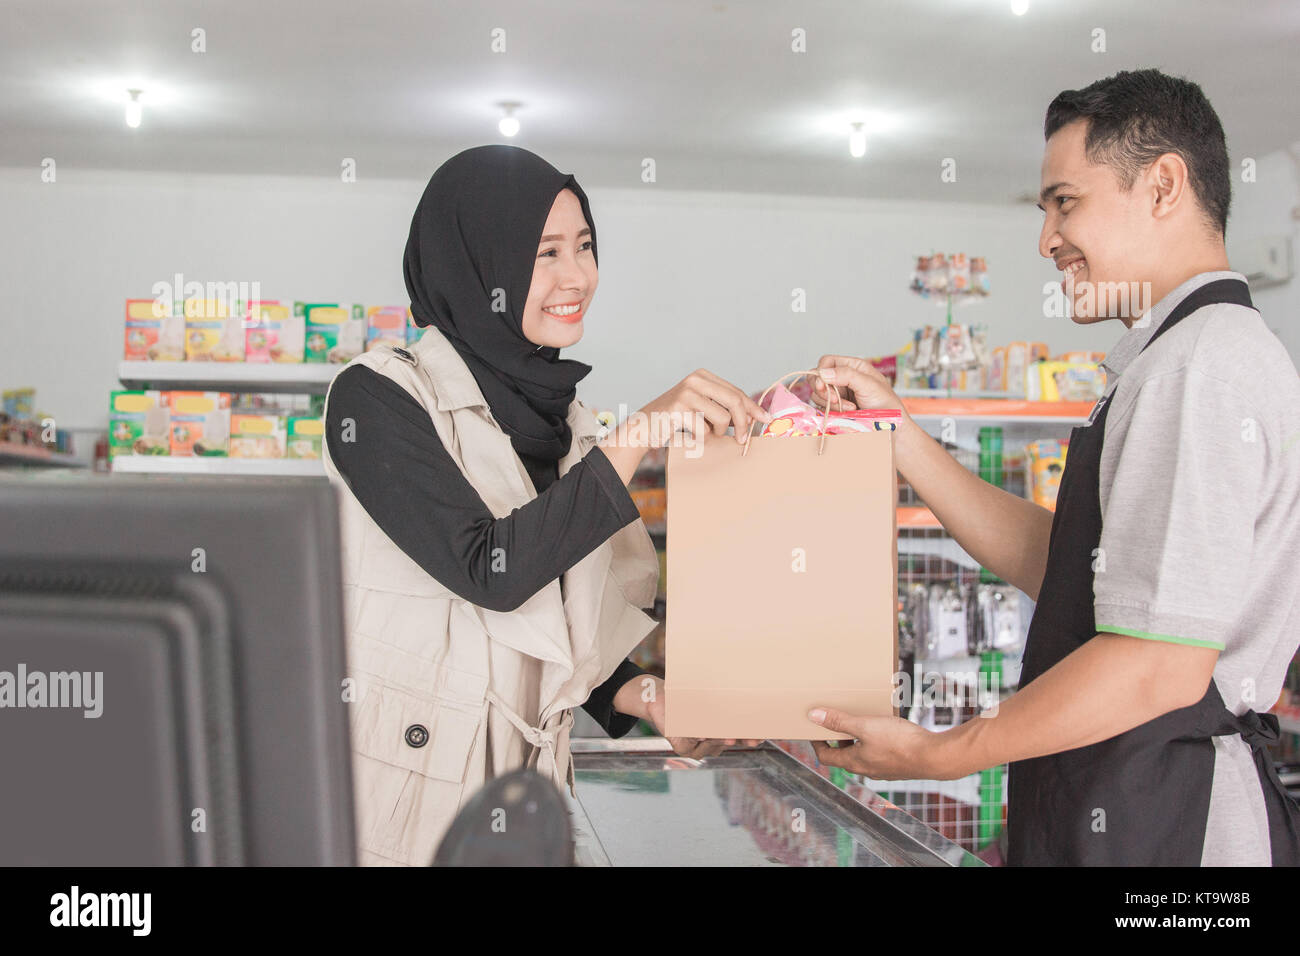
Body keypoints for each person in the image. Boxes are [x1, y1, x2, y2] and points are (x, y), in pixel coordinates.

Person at [805, 69, 1300, 866]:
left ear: (1164, 184)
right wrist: (902, 438)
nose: (1046, 240)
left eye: (1065, 202)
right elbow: (1071, 568)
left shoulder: (1202, 367)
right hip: (1126, 804)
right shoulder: (1172, 359)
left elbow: (1158, 664)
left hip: (1173, 825)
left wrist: (939, 752)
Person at [321, 144, 767, 866]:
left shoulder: (564, 422)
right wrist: (642, 432)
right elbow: (490, 569)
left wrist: (648, 697)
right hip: (403, 805)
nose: (576, 277)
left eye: (584, 246)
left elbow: (554, 622)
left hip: (527, 799)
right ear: (476, 263)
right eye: (544, 253)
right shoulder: (375, 398)